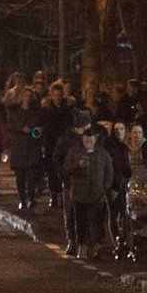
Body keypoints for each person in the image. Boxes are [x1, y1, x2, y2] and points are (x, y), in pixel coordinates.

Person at [64, 126, 114, 260]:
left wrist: (105, 187)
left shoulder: (103, 154)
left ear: (95, 140)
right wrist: (77, 166)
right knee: (80, 222)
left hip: (97, 194)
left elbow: (109, 171)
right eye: (86, 141)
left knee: (97, 222)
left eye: (91, 141)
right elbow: (67, 169)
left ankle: (97, 247)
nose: (89, 144)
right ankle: (82, 246)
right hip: (79, 194)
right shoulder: (75, 152)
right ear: (83, 140)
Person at [55, 112, 94, 255]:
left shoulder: (91, 139)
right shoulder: (66, 141)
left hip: (88, 182)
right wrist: (64, 174)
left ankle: (86, 243)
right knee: (71, 213)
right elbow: (57, 160)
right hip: (70, 182)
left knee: (87, 214)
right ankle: (72, 241)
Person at [7, 88, 44, 210]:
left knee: (31, 175)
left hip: (32, 146)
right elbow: (10, 126)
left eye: (30, 96)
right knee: (20, 175)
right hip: (19, 147)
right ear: (21, 97)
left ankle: (31, 198)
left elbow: (39, 127)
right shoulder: (15, 112)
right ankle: (22, 199)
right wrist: (21, 128)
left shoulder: (36, 112)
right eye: (25, 95)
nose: (27, 98)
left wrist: (34, 132)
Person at [41, 81, 75, 208]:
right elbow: (45, 126)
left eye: (60, 95)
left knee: (65, 169)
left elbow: (70, 123)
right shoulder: (47, 110)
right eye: (55, 95)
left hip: (65, 143)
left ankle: (63, 194)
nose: (58, 97)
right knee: (52, 170)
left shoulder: (67, 109)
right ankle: (54, 194)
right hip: (52, 143)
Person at [106, 122, 132, 253]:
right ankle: (117, 240)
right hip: (113, 185)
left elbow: (127, 167)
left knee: (125, 214)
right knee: (114, 214)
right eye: (116, 129)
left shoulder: (124, 147)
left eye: (122, 129)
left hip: (124, 185)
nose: (119, 132)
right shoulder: (109, 147)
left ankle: (124, 240)